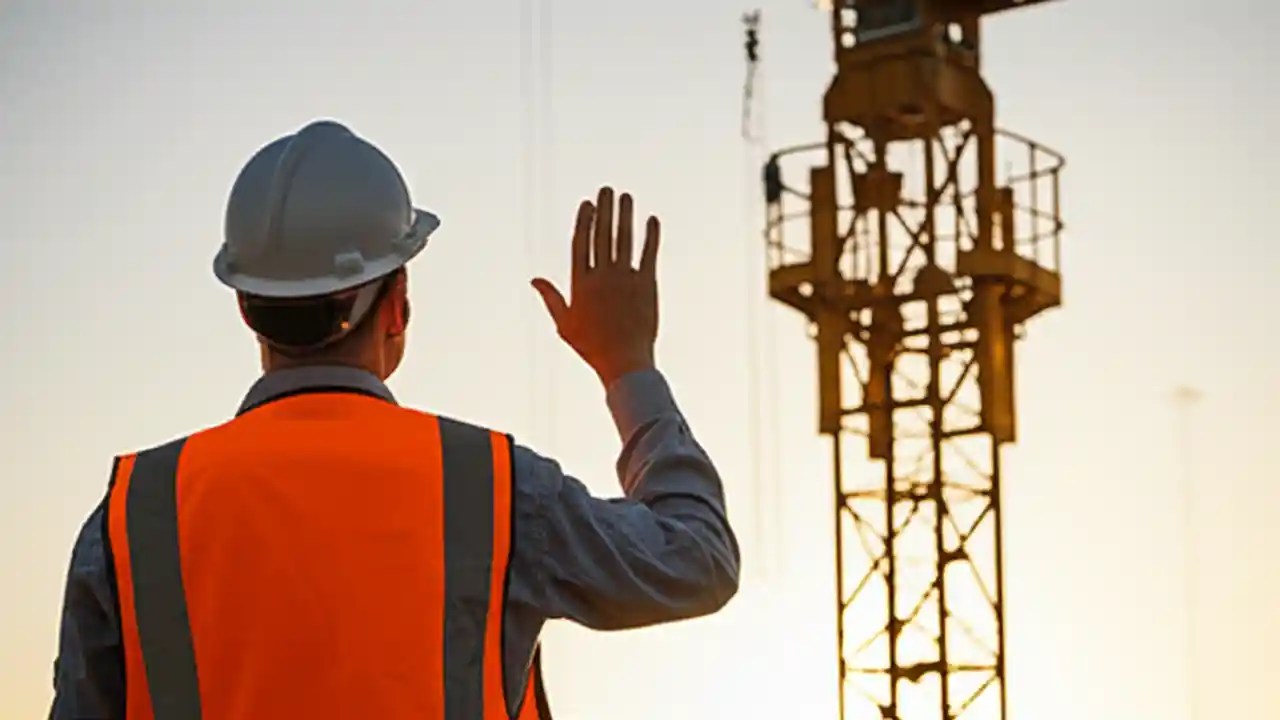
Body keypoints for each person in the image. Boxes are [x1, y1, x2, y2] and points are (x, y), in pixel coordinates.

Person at [48, 120, 740, 719]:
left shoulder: (135, 515)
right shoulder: (492, 492)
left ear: (245, 304)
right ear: (398, 301)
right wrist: (627, 367)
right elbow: (696, 559)